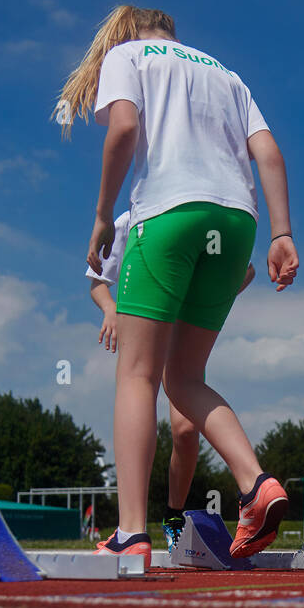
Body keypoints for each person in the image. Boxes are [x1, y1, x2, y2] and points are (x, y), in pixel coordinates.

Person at [56, 5, 298, 558]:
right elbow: (269, 152)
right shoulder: (226, 73)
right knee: (184, 377)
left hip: (168, 214)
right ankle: (256, 483)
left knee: (137, 376)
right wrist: (282, 234)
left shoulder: (128, 55)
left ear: (124, 32)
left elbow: (122, 127)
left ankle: (132, 533)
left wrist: (102, 214)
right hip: (237, 222)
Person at [86, 209, 256, 550]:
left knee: (184, 429)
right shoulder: (130, 221)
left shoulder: (197, 212)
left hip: (182, 331)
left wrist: (211, 301)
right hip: (145, 324)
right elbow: (97, 280)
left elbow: (245, 271)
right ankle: (132, 524)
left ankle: (173, 515)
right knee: (139, 388)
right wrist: (110, 310)